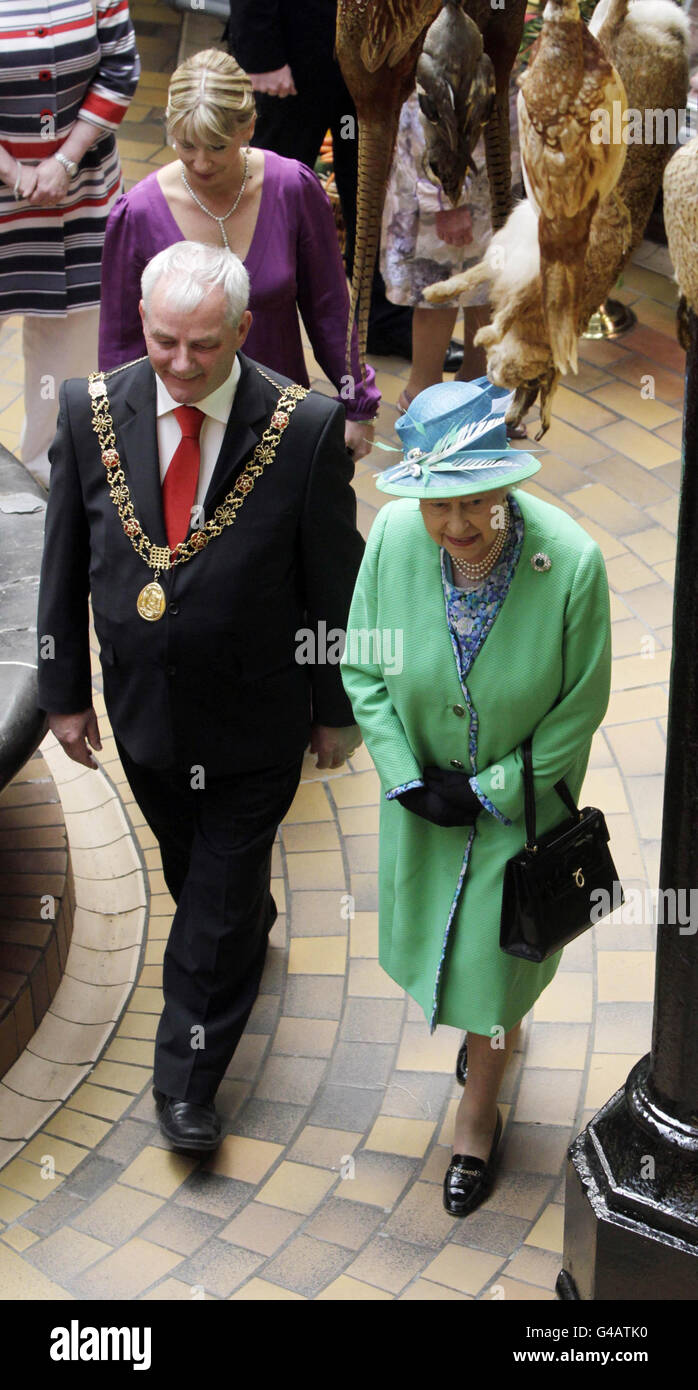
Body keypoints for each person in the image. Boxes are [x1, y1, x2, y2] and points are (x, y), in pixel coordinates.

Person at [37, 241, 364, 1153]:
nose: (180, 366)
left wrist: (336, 712)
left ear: (242, 331)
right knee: (204, 881)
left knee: (211, 912)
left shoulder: (303, 432)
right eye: (163, 341)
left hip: (257, 725)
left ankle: (186, 1086)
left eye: (203, 348)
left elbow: (335, 588)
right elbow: (63, 562)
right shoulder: (88, 412)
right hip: (144, 722)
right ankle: (243, 924)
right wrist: (65, 693)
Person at [341, 378, 611, 1216]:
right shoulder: (389, 537)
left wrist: (495, 786)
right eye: (437, 506)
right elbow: (362, 666)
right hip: (428, 807)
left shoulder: (571, 564)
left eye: (478, 505)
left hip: (522, 814)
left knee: (497, 975)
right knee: (457, 955)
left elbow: (581, 707)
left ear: (510, 485)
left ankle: (476, 1118)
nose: (457, 527)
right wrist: (407, 776)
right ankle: (494, 1037)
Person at [98, 48, 378, 462]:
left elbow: (330, 310)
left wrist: (357, 404)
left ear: (248, 127)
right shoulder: (136, 213)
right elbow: (120, 345)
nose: (201, 161)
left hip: (277, 420)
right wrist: (119, 435)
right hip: (178, 427)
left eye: (216, 145)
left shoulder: (292, 189)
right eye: (186, 144)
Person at [223, 0, 421, 363]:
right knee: (268, 194)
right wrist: (262, 54)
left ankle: (383, 320)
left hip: (373, 59)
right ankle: (244, 314)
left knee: (374, 190)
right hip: (293, 58)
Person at [0, 0, 139, 486]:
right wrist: (14, 172)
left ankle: (48, 483)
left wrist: (63, 161)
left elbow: (120, 67)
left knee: (71, 357)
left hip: (80, 196)